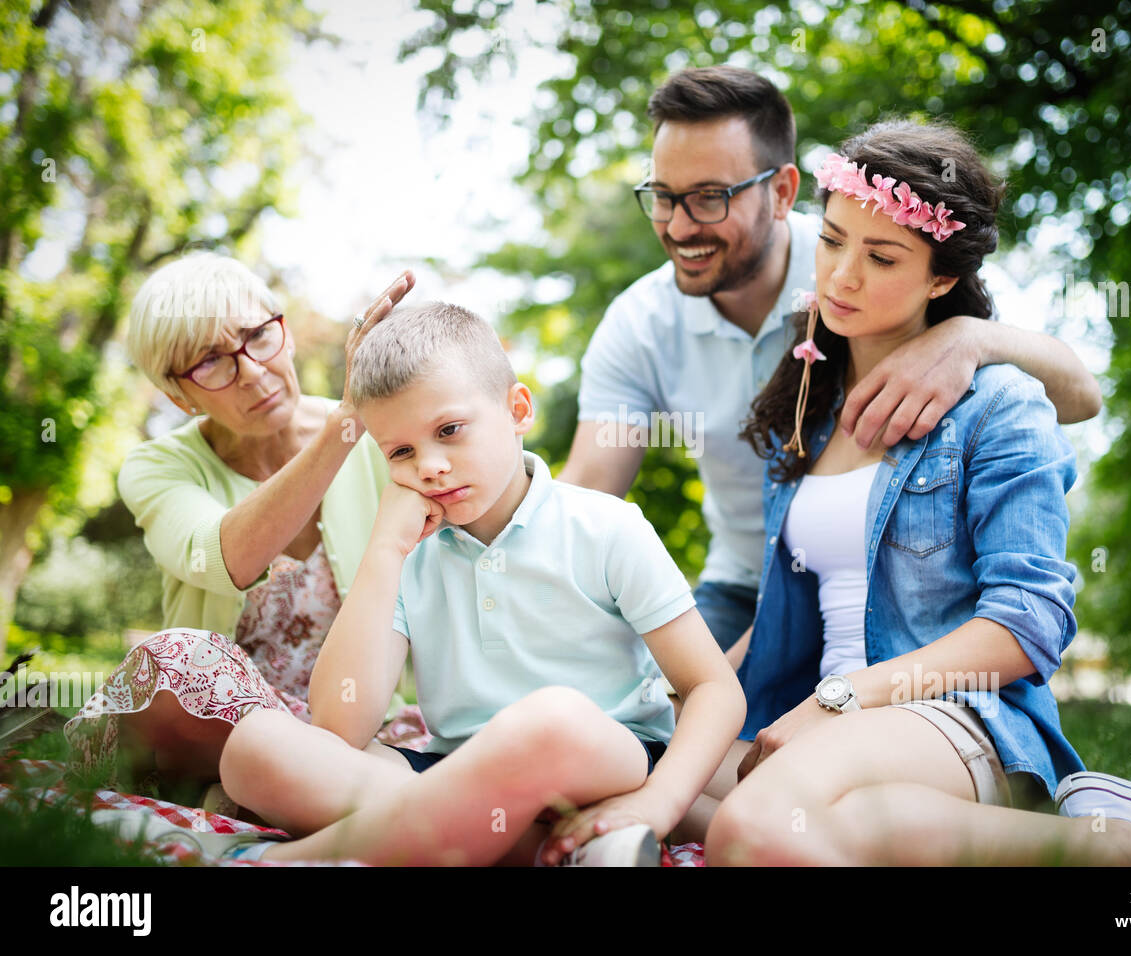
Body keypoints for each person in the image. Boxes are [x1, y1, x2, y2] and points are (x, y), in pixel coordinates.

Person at [696, 120, 1131, 867]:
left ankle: (1107, 843)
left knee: (752, 830)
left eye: (882, 255)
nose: (842, 275)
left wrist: (840, 699)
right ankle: (1107, 851)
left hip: (951, 718)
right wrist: (699, 693)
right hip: (820, 721)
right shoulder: (806, 409)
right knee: (644, 775)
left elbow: (1028, 621)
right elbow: (794, 605)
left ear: (942, 278)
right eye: (831, 240)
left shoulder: (999, 404)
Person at [561, 66, 1103, 654]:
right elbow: (589, 491)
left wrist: (969, 339)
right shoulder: (641, 322)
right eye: (663, 198)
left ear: (782, 192)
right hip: (754, 583)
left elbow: (1076, 396)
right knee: (638, 717)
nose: (680, 224)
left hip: (901, 588)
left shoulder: (868, 252)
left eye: (710, 198)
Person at [201, 303, 745, 866]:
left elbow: (713, 688)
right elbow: (341, 723)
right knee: (255, 746)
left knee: (549, 718)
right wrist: (385, 552)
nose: (430, 465)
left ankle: (297, 860)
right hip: (453, 771)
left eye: (449, 431)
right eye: (402, 452)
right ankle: (554, 848)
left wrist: (660, 802)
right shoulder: (408, 553)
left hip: (600, 759)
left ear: (517, 410)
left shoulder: (605, 526)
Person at [63, 253, 428, 799]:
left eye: (259, 335)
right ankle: (313, 784)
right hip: (222, 731)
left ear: (286, 331)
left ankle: (301, 790)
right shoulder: (157, 465)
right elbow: (223, 557)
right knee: (173, 661)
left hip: (354, 726)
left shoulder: (378, 433)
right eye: (210, 361)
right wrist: (346, 423)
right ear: (176, 395)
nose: (253, 372)